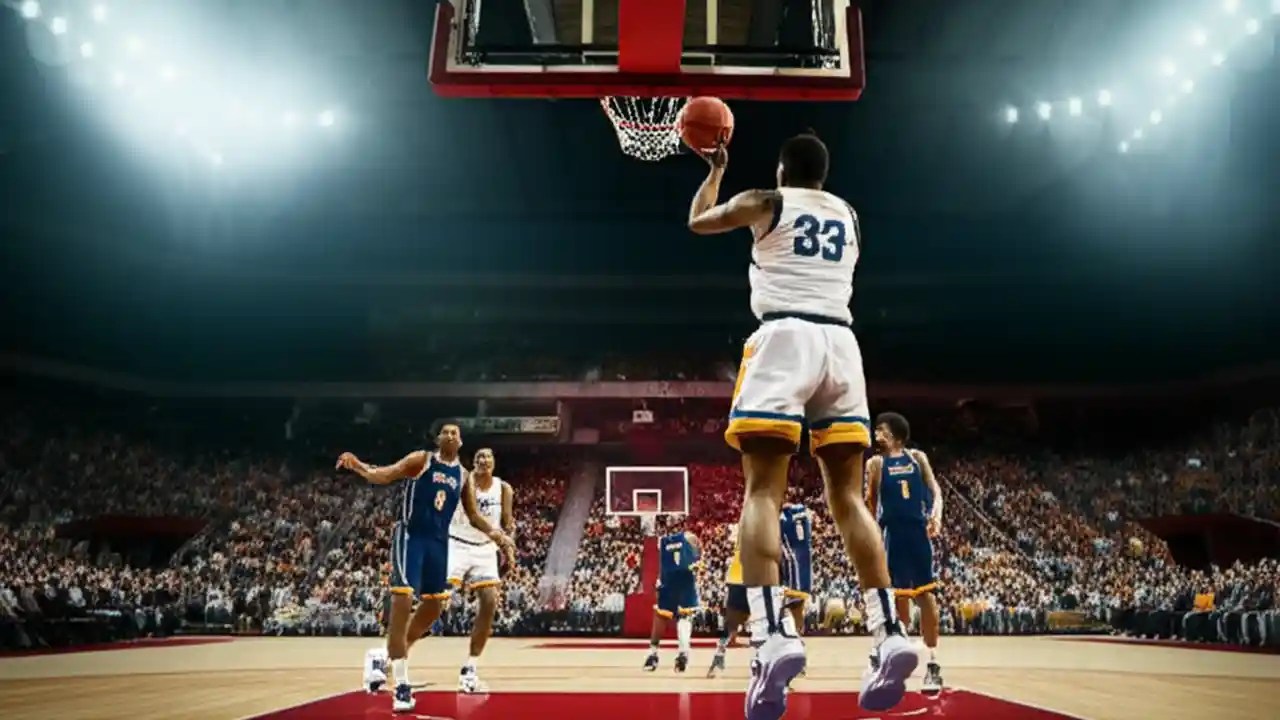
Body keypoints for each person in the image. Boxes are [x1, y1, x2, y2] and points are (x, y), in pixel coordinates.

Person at [687, 132, 914, 718]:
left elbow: (698, 223)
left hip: (785, 335)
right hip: (842, 346)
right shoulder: (851, 215)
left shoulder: (768, 199)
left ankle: (771, 637)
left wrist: (715, 170)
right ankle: (888, 631)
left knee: (762, 490)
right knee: (847, 499)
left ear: (784, 169)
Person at [337, 421, 514, 714]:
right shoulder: (422, 460)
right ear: (437, 439)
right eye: (445, 431)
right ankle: (402, 684)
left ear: (460, 443)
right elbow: (386, 474)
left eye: (455, 433)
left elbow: (474, 516)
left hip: (439, 543)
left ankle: (382, 657)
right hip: (412, 536)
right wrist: (359, 466)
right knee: (403, 600)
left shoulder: (462, 475)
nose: (449, 435)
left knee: (435, 606)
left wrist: (499, 536)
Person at [865, 412, 944, 694]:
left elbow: (936, 491)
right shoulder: (875, 464)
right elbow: (871, 505)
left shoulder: (917, 458)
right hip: (891, 535)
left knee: (927, 595)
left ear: (896, 435)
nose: (876, 435)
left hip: (918, 532)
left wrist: (937, 516)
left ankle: (933, 664)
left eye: (881, 431)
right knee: (897, 600)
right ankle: (896, 654)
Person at [707, 502, 811, 679]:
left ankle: (719, 656)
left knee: (732, 623)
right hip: (758, 575)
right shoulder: (769, 522)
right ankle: (787, 658)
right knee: (777, 618)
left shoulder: (747, 520)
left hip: (737, 574)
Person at [446, 447, 514, 693]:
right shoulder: (463, 483)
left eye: (488, 457)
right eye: (479, 457)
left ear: (494, 463)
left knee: (490, 601)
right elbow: (474, 516)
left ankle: (470, 668)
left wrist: (509, 545)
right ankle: (388, 655)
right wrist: (500, 538)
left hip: (486, 548)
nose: (484, 460)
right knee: (434, 605)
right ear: (473, 463)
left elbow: (507, 521)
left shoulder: (503, 488)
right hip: (457, 544)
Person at [644, 519, 701, 673]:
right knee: (684, 617)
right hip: (685, 579)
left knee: (661, 617)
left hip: (667, 579)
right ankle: (683, 654)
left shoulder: (661, 541)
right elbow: (698, 556)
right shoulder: (690, 537)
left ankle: (653, 654)